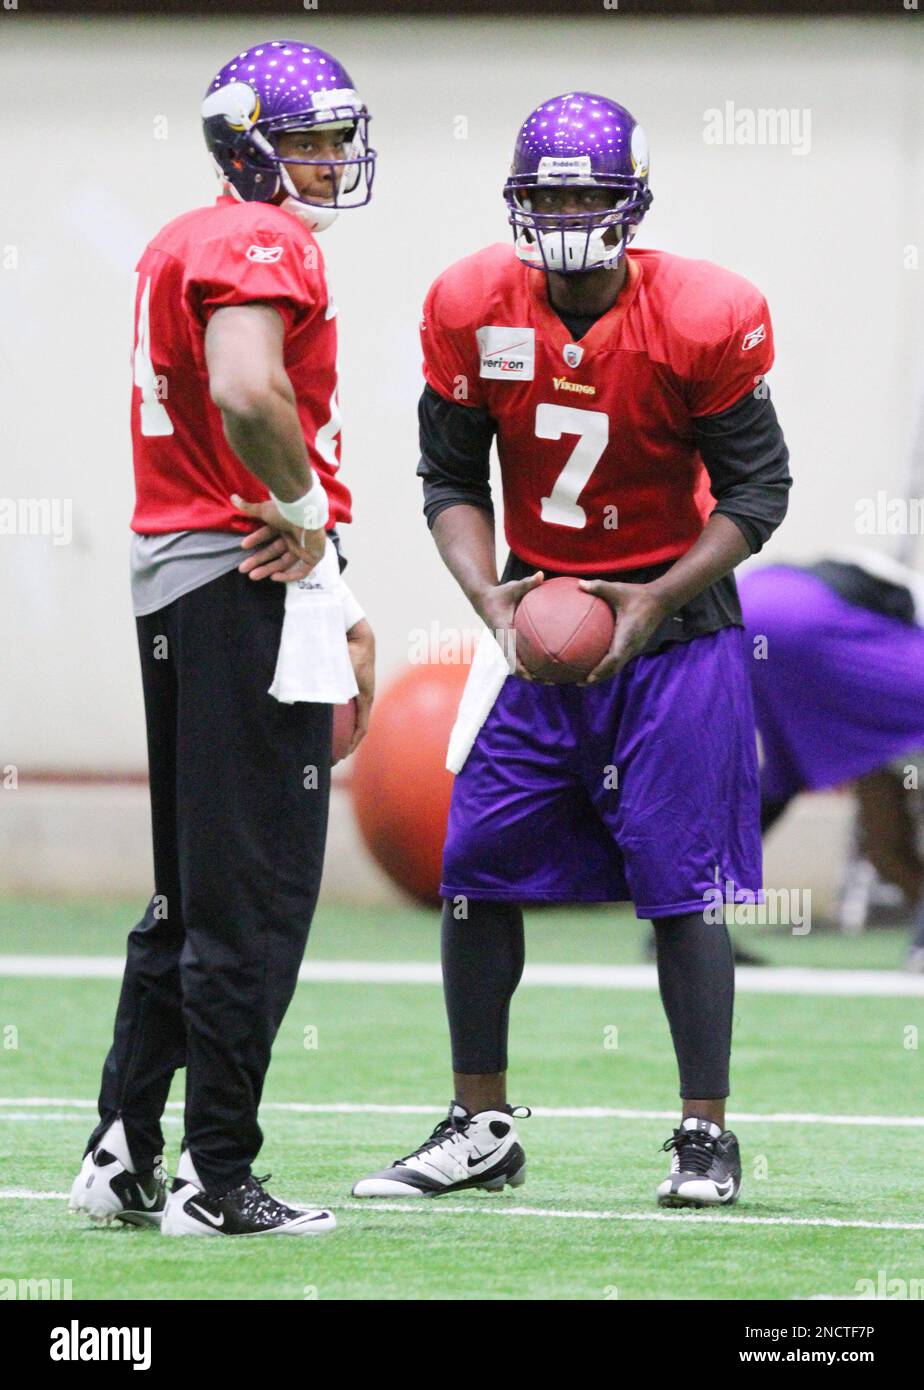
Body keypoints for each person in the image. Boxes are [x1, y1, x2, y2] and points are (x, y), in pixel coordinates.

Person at [353, 91, 790, 1208]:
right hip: (538, 643)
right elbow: (449, 480)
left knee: (681, 887)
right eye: (548, 192)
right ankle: (479, 1121)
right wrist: (493, 604)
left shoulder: (702, 312)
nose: (567, 211)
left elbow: (757, 491)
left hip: (677, 639)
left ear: (630, 199)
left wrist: (649, 601)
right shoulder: (469, 304)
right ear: (518, 196)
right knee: (472, 871)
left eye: (588, 192)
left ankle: (705, 1134)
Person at [69, 40, 376, 1237]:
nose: (331, 161)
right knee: (252, 898)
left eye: (339, 138)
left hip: (180, 581)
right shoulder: (264, 239)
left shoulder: (176, 239)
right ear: (249, 145)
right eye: (308, 138)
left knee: (192, 896)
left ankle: (125, 1144)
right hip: (240, 575)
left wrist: (331, 582)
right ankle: (217, 1173)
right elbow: (250, 390)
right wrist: (311, 527)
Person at [738, 552, 924, 968]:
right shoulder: (894, 632)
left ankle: (681, 923)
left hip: (746, 612)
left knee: (783, 780)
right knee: (886, 838)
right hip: (813, 626)